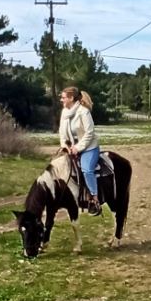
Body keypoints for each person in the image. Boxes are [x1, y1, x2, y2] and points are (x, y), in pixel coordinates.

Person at [59, 86, 102, 215]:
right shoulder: (64, 113)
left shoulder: (84, 112)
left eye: (63, 97)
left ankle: (94, 199)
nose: (61, 100)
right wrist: (65, 145)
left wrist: (78, 148)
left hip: (89, 148)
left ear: (71, 98)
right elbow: (62, 132)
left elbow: (89, 133)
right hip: (70, 148)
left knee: (87, 170)